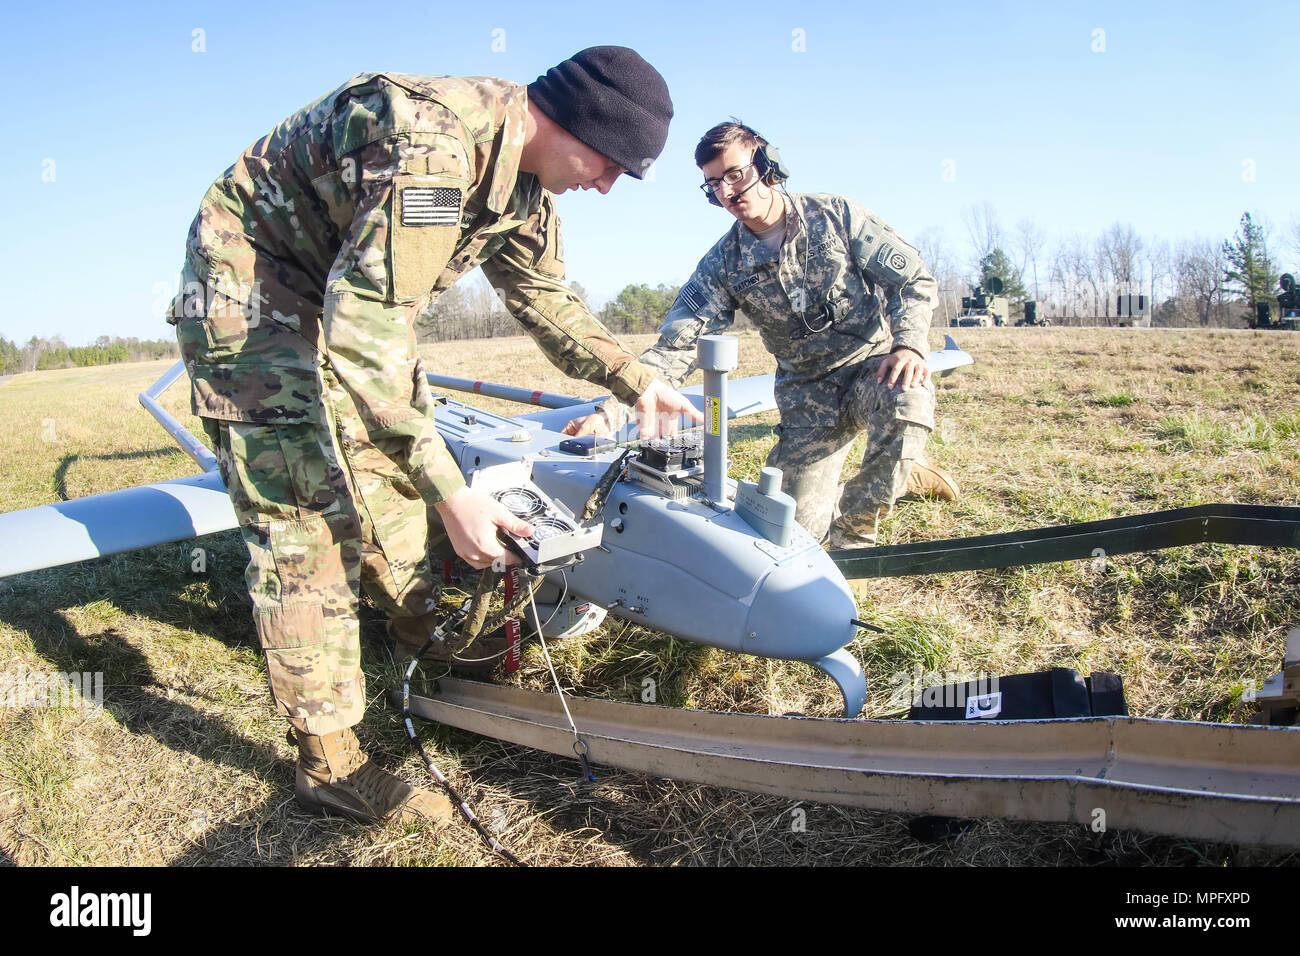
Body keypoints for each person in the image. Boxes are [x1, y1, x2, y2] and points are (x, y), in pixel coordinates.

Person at [167, 47, 699, 826]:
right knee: (308, 522)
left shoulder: (525, 183)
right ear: (567, 118)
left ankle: (432, 639)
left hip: (347, 306)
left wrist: (638, 379)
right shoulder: (433, 145)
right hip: (250, 292)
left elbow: (545, 299)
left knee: (389, 484)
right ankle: (330, 765)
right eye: (609, 161)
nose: (607, 184)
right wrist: (452, 492)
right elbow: (365, 324)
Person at [565, 122, 957, 548]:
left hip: (871, 368)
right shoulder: (722, 264)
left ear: (768, 165)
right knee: (789, 532)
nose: (728, 192)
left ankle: (856, 536)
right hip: (809, 395)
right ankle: (902, 471)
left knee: (909, 398)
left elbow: (912, 280)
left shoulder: (836, 216)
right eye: (714, 184)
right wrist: (611, 414)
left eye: (735, 174)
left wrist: (909, 345)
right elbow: (674, 349)